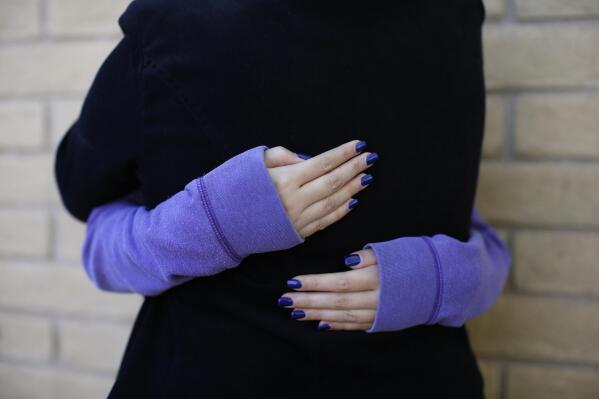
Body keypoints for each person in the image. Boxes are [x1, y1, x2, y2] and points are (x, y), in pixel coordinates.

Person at [54, 0, 510, 397]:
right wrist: (451, 277)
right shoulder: (459, 13)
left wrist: (207, 222)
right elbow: (454, 211)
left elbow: (85, 201)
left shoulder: (171, 22)